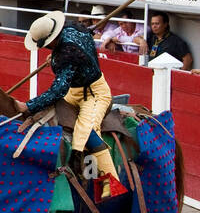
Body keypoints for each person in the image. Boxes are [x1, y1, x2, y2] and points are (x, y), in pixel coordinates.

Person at [23, 11, 130, 201]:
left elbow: (58, 90)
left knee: (86, 131)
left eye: (48, 46)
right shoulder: (73, 27)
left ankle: (110, 184)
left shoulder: (67, 53)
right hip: (74, 92)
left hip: (94, 94)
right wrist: (55, 56)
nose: (47, 49)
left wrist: (28, 106)